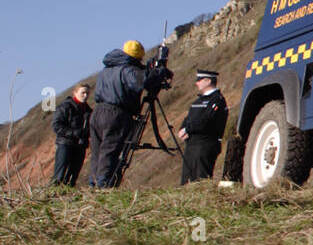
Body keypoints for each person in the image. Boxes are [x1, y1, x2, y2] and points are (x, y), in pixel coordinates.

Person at [88, 40, 168, 187]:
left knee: (98, 152)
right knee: (109, 150)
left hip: (98, 112)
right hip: (116, 113)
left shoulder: (107, 69)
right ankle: (103, 185)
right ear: (138, 57)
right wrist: (160, 71)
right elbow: (143, 81)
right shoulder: (128, 70)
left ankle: (93, 183)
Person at [177, 69, 228, 185]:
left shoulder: (217, 100)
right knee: (186, 179)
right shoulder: (197, 101)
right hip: (191, 144)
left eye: (199, 80)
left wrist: (187, 129)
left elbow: (206, 121)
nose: (197, 83)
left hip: (205, 144)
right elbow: (189, 117)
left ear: (208, 81)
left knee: (200, 180)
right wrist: (183, 128)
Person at [50, 84, 92, 185]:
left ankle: (67, 195)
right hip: (65, 143)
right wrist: (74, 132)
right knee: (59, 175)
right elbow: (56, 125)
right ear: (75, 93)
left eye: (87, 93)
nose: (85, 95)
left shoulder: (89, 111)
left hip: (81, 146)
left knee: (73, 176)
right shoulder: (65, 107)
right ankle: (52, 195)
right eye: (83, 93)